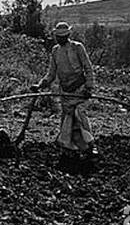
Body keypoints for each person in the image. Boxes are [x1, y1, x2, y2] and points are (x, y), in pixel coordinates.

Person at [38, 21, 98, 170]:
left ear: (68, 35)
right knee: (67, 120)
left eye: (63, 36)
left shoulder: (77, 48)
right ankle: (69, 149)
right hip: (66, 92)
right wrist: (41, 84)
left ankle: (90, 145)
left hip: (80, 89)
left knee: (79, 114)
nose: (61, 39)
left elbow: (88, 67)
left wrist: (89, 86)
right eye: (58, 36)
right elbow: (51, 73)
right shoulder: (55, 51)